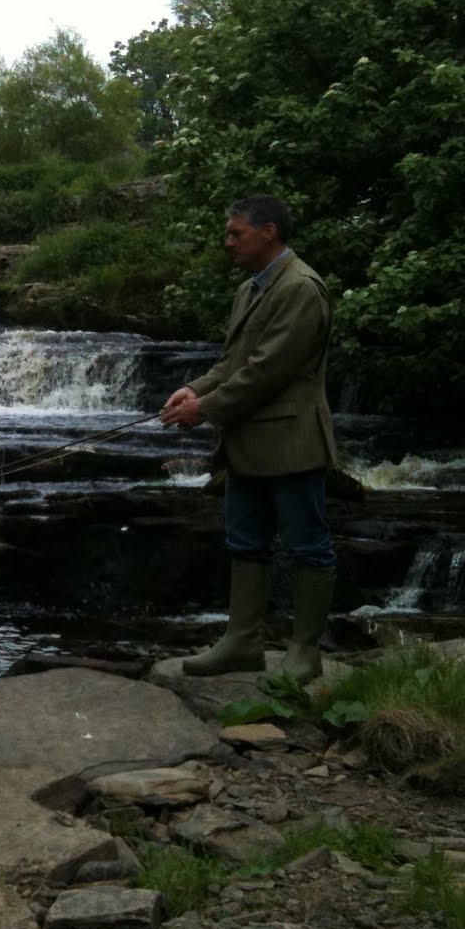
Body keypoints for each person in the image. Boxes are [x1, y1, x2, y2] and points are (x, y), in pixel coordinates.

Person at [161, 195, 338, 682]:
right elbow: (234, 363)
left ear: (269, 233)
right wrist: (194, 388)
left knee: (309, 546)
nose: (228, 241)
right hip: (246, 441)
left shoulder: (302, 287)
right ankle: (242, 641)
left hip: (291, 440)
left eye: (236, 233)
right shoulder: (249, 289)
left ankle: (305, 652)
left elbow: (268, 371)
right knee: (245, 542)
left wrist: (206, 409)